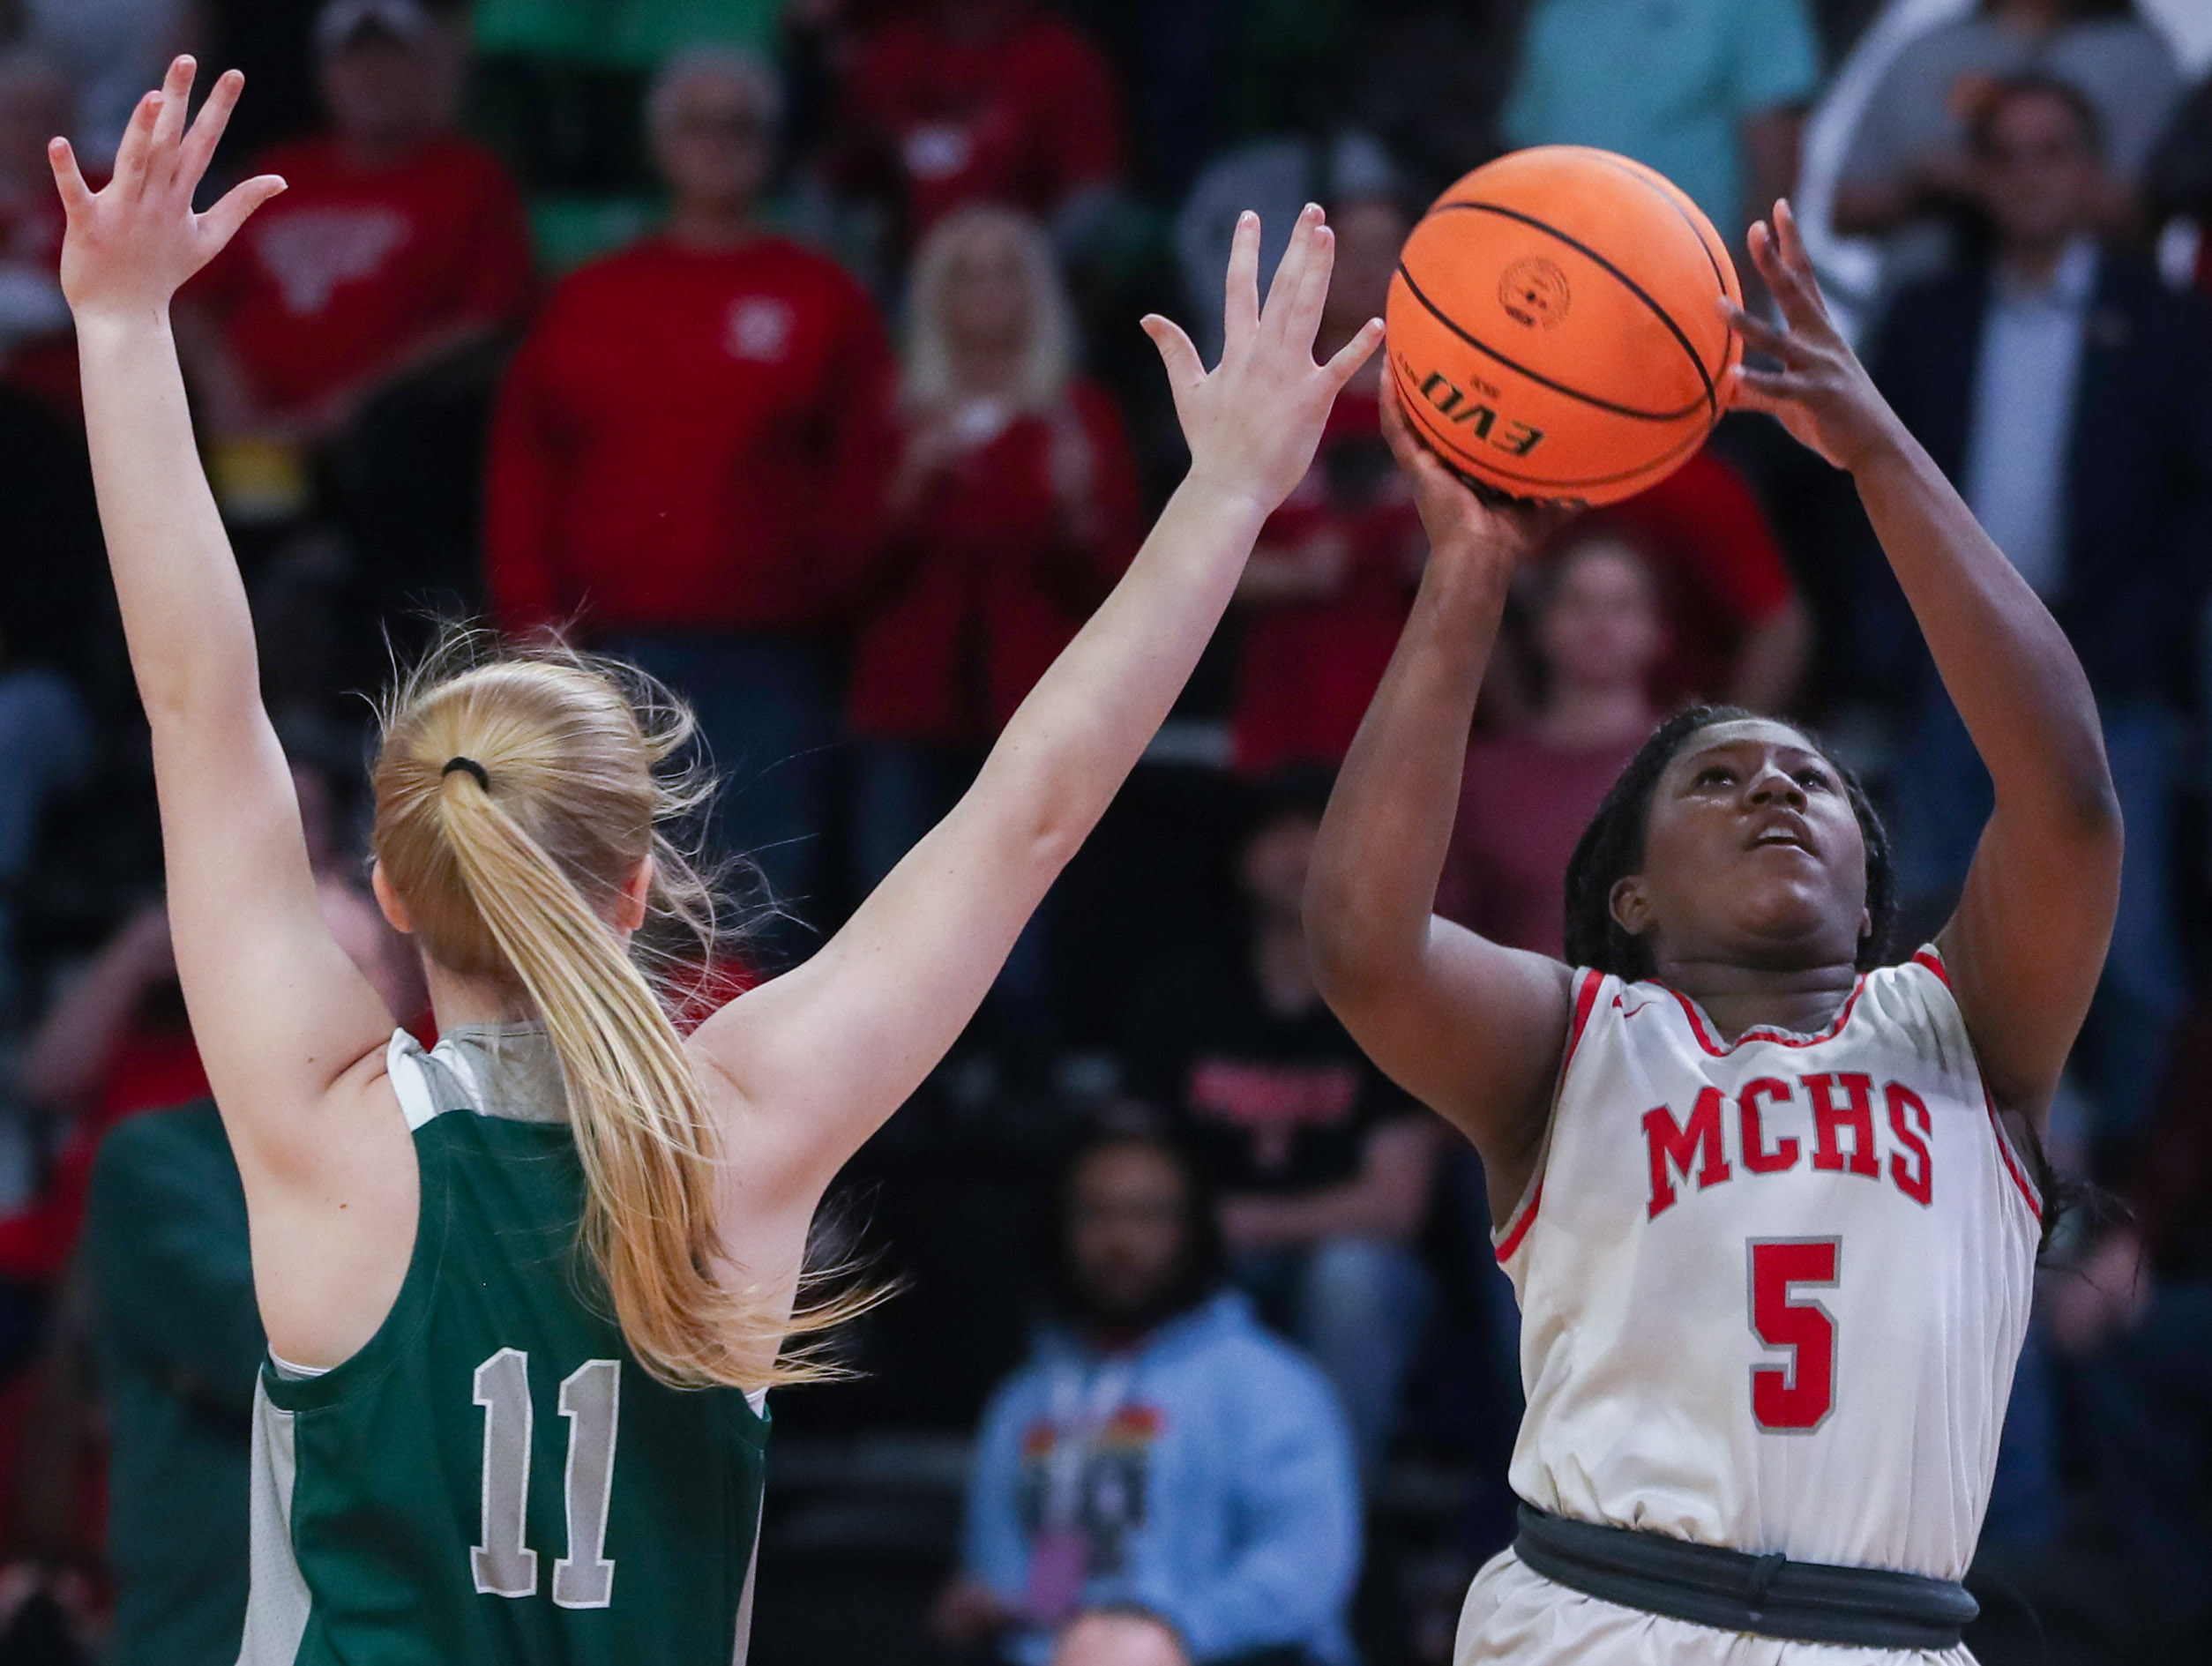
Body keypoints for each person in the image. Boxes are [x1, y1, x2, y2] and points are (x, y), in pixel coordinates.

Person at [52, 51, 1381, 1663]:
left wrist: (122, 333)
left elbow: (201, 710)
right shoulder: (738, 1129)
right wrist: (1228, 487)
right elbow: (1030, 807)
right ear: (634, 885)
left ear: (395, 888)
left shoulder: (324, 1130)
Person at [1304, 195, 2119, 1663]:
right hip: (1597, 1616)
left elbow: (2061, 795)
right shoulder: (1575, 1046)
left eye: (1807, 775)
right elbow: (1365, 943)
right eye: (1716, 775)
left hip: (1884, 1635)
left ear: (1868, 897)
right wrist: (1469, 572)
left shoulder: (1962, 1027)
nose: (1771, 787)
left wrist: (1876, 448)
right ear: (1630, 894)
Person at [1867, 71, 2212, 1152]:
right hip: (1948, 666)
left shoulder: (2164, 321)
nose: (2028, 174)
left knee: (2135, 951)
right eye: (2006, 152)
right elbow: (1863, 487)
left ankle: (2114, 1218)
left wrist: (2148, 629)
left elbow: (2198, 496)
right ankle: (1945, 1166)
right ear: (1978, 174)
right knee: (1930, 924)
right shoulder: (1927, 318)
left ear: (2093, 171)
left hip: (2109, 668)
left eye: (2052, 149)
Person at [486, 46, 897, 934]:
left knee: (758, 902)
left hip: (775, 657)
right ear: (660, 143)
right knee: (602, 900)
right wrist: (533, 618)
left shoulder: (823, 297)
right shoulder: (591, 297)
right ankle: (609, 1078)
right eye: (698, 124)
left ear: (772, 144)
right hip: (605, 652)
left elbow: (865, 473)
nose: (720, 143)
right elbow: (526, 463)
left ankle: (746, 1080)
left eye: (741, 124)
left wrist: (832, 602)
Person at [933, 1124, 1360, 1666]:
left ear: (1195, 1230)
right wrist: (994, 1605)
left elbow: (1305, 1570)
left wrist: (1171, 1635)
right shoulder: (1026, 1397)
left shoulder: (1269, 1384)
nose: (1121, 1240)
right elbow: (999, 1569)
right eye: (1095, 1214)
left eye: (1150, 1215)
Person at [1117, 772, 1432, 1477]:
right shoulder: (1182, 994)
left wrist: (1242, 1221)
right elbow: (1127, 1163)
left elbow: (1395, 1205)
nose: (1298, 853)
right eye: (1279, 831)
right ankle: (1155, 1491)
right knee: (1134, 1250)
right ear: (1240, 852)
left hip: (1338, 1262)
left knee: (1348, 1276)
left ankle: (1327, 1503)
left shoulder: (1393, 1000)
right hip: (1203, 1250)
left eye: (1320, 829)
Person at [848, 204, 1145, 894]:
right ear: (932, 293)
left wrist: (1077, 515)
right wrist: (903, 490)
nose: (986, 292)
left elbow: (1131, 586)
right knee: (896, 913)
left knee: (1027, 936)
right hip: (908, 709)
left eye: (1005, 273)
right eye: (964, 275)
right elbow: (835, 573)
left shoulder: (1081, 417)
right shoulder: (889, 415)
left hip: (1040, 713)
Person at [177, 0, 532, 469]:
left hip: (394, 438)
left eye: (391, 57)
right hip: (252, 432)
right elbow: (191, 298)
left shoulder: (470, 177)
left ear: (428, 70)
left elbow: (487, 321)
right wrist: (227, 391)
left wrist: (354, 404)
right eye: (352, 59)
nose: (371, 76)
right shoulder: (276, 169)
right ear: (323, 74)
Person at [1228, 192, 1425, 774]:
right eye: (1351, 250)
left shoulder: (1453, 406)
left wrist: (1447, 559)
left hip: (1409, 694)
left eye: (1388, 251)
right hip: (1289, 699)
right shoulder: (1265, 393)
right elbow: (1193, 557)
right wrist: (1290, 573)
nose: (1369, 267)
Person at [1833, 0, 2182, 292]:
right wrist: (1924, 185)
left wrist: (2005, 184)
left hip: (2100, 333)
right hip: (1924, 327)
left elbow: (2160, 217)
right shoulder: (1929, 51)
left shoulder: (2138, 56)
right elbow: (1842, 209)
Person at [1435, 533, 1665, 961]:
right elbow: (1443, 927)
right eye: (1578, 603)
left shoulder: (1695, 764)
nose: (1600, 623)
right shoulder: (1483, 775)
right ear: (1541, 625)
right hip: (1516, 1013)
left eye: (1622, 605)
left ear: (1657, 631)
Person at [1500, 0, 1820, 261]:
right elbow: (1521, 151)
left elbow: (1777, 164)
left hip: (1681, 291)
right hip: (1549, 271)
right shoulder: (1560, 10)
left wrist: (1744, 288)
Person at [835, 0, 1126, 244]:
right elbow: (843, 170)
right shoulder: (893, 52)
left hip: (1025, 259)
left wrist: (1029, 263)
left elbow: (1092, 190)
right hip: (900, 261)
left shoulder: (1059, 59)